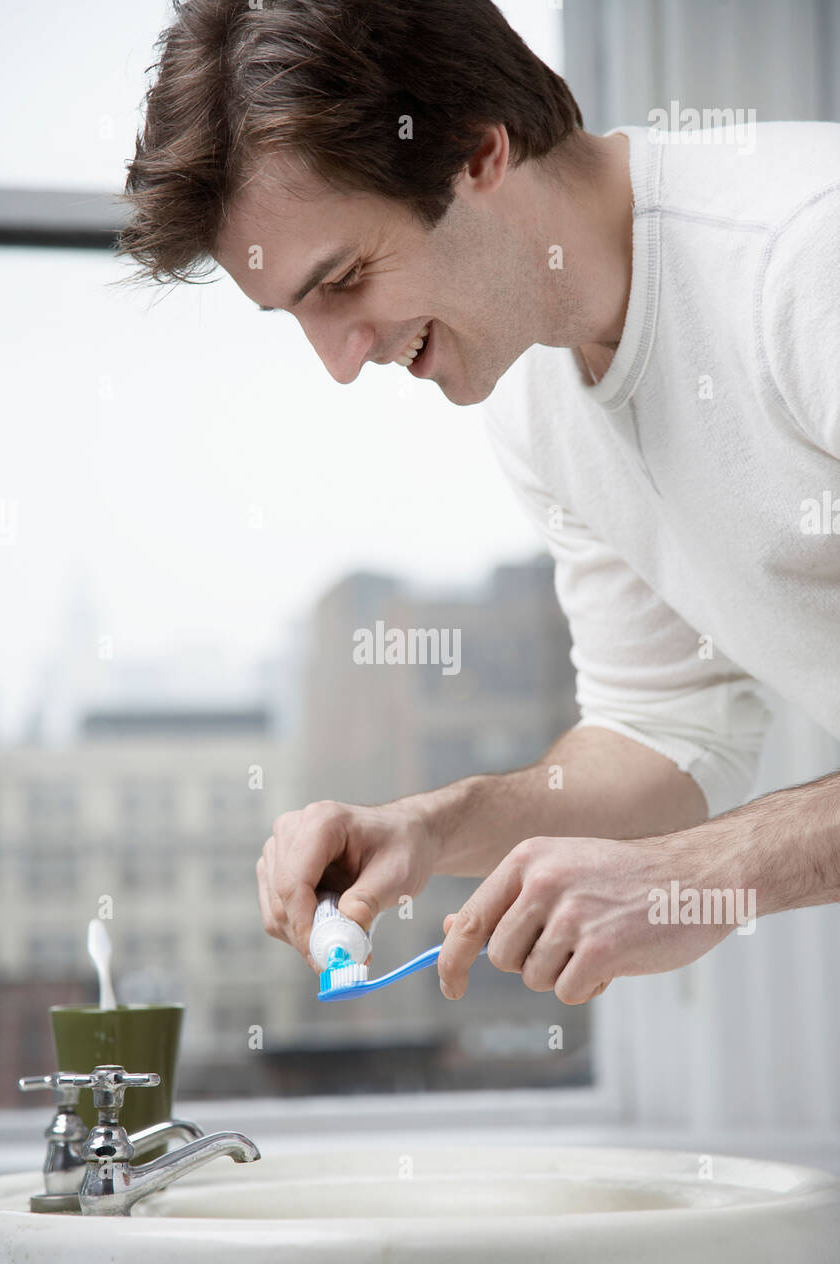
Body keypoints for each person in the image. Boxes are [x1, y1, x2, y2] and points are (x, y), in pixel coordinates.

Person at [119, 0, 840, 1005]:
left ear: (476, 151)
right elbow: (671, 728)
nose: (337, 363)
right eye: (294, 314)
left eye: (345, 279)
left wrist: (701, 876)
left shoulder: (805, 260)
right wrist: (430, 828)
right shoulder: (534, 388)